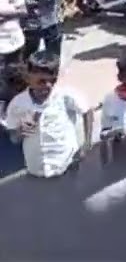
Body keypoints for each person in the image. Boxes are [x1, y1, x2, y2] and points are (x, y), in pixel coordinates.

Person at [2, 50, 90, 178]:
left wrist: (86, 144)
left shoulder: (65, 96)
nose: (47, 86)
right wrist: (20, 131)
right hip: (35, 168)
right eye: (41, 81)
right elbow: (13, 138)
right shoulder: (18, 104)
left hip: (66, 164)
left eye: (52, 80)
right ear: (28, 77)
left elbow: (87, 110)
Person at [0, 0, 27, 66]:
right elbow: (18, 11)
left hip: (15, 42)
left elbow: (23, 11)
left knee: (16, 76)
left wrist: (3, 14)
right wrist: (12, 10)